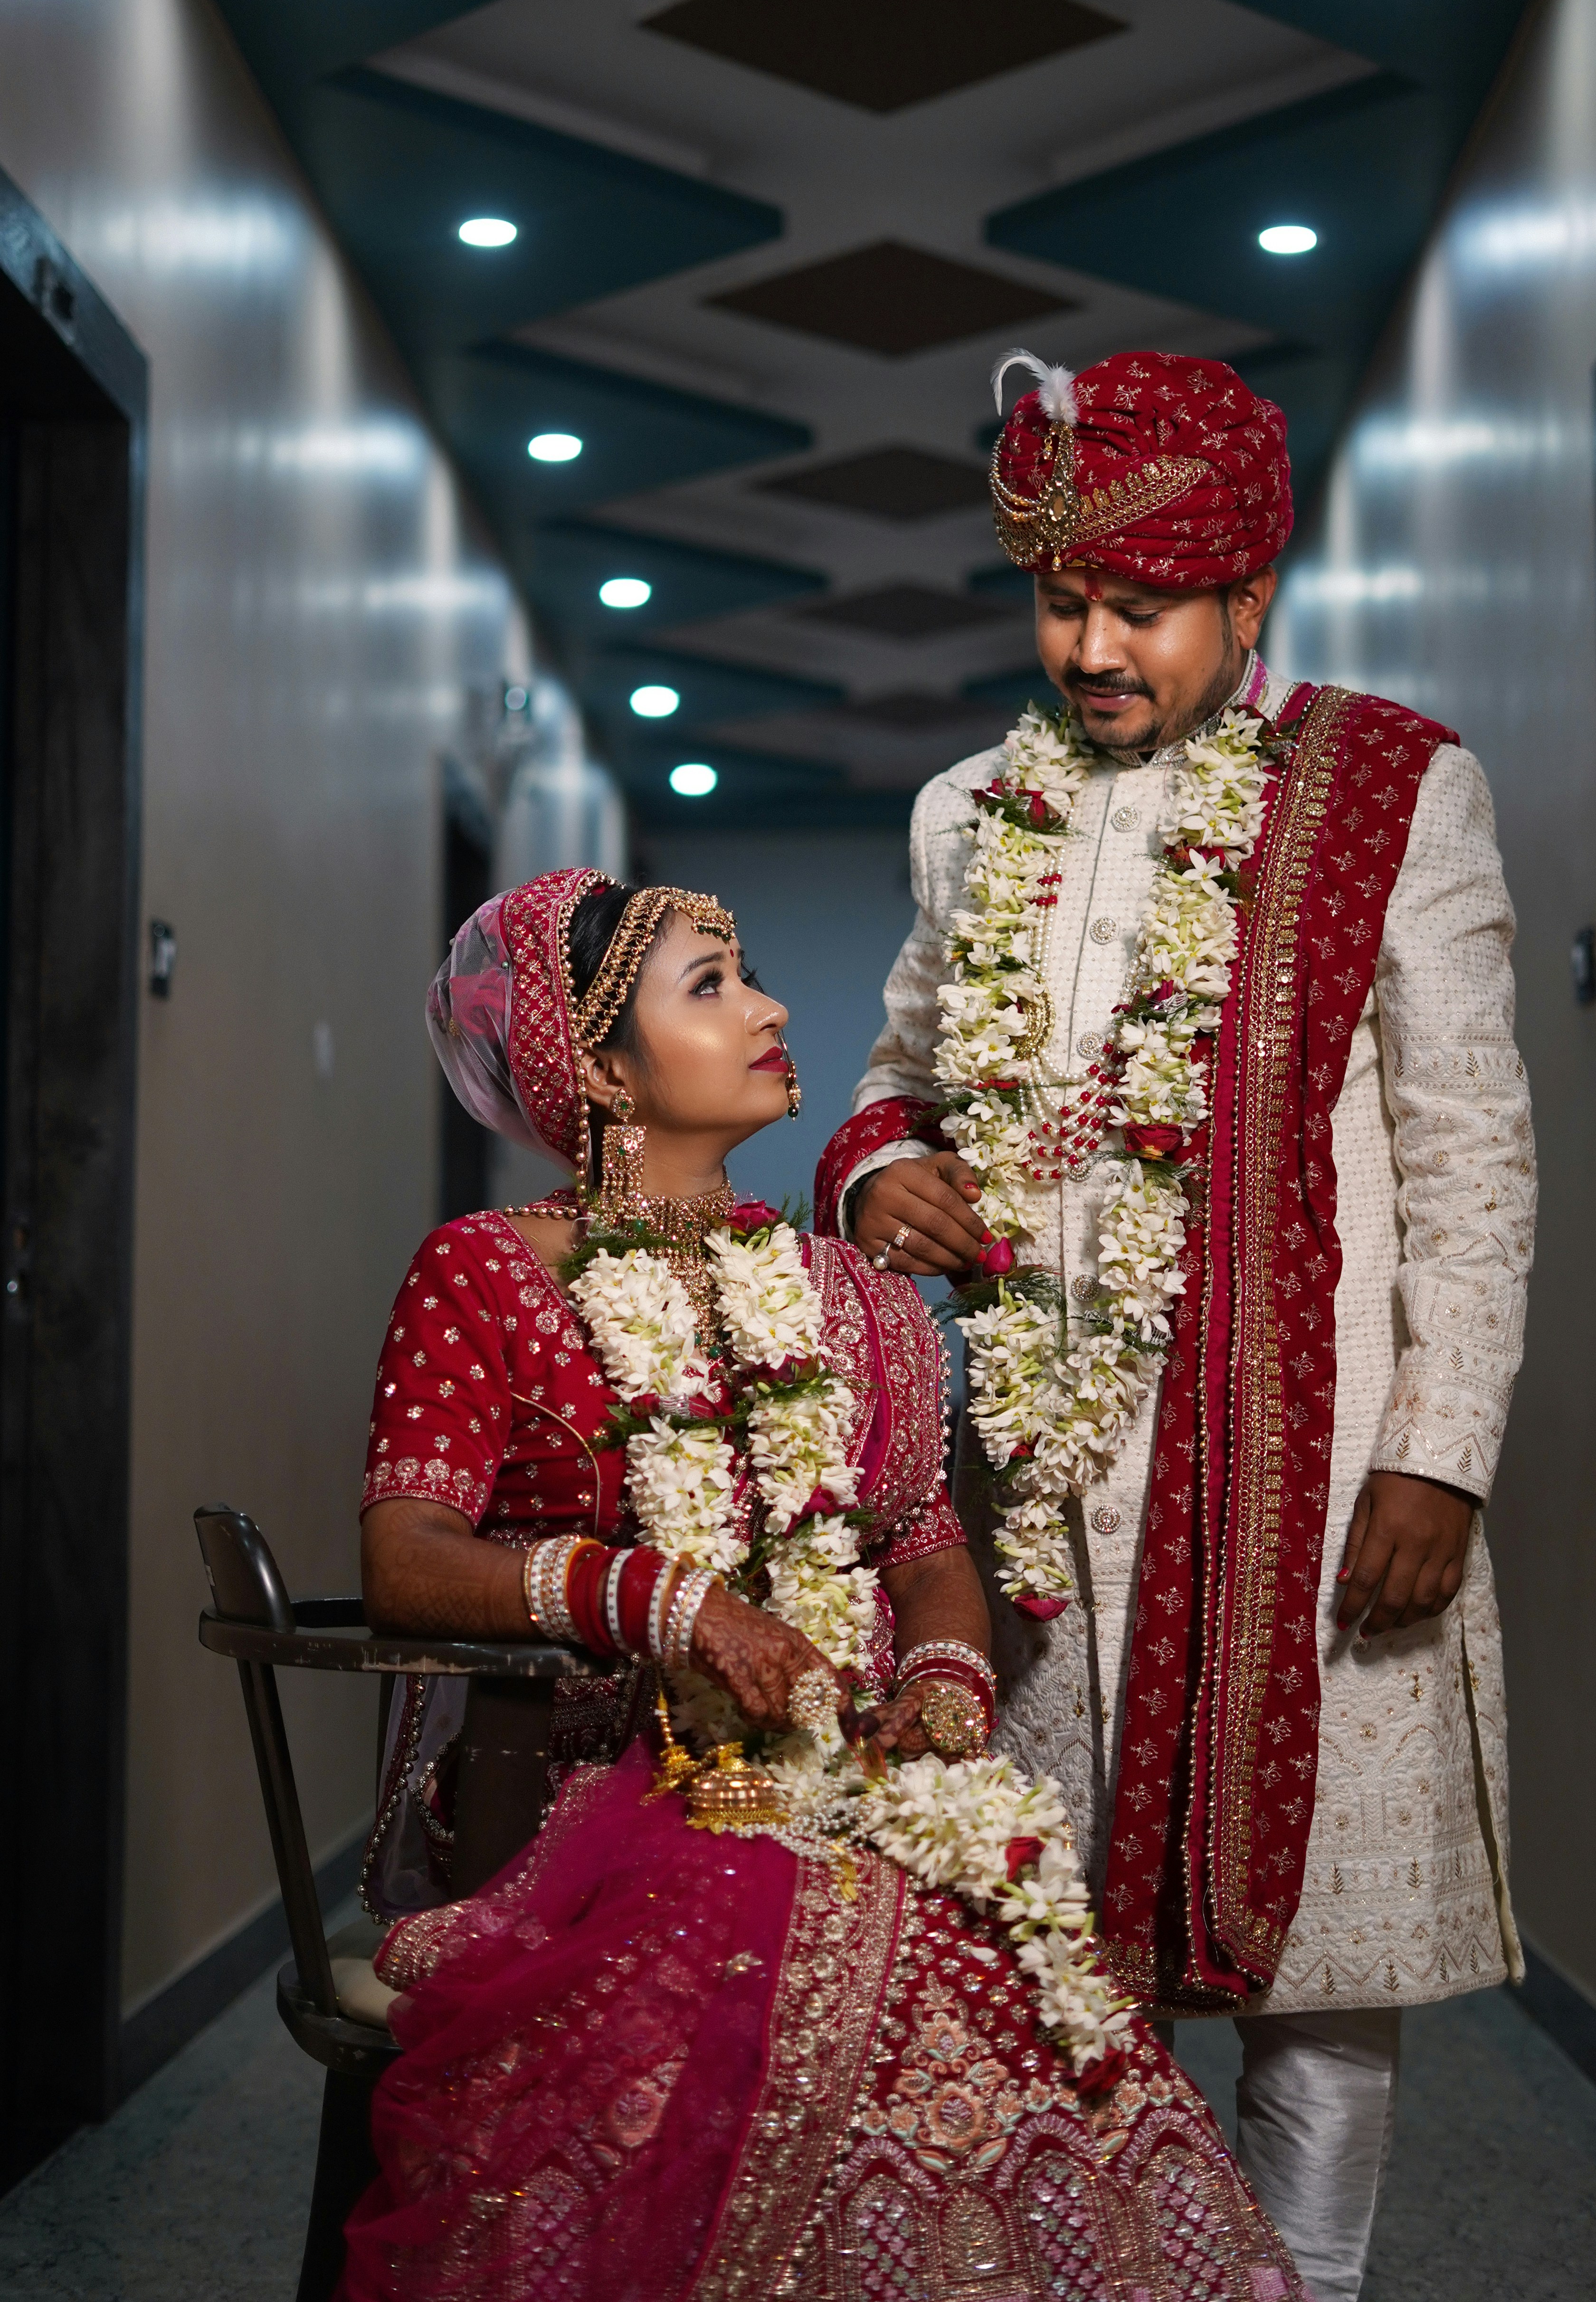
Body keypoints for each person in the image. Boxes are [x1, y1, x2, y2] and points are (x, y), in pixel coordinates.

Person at [816, 350, 1537, 2302]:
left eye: (1142, 607)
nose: (1092, 648)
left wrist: (1441, 1451)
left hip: (1324, 1475)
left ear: (1250, 595)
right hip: (1047, 1500)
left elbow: (1473, 1153)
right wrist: (880, 1170)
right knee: (1046, 1963)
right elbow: (893, 1075)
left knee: (1321, 1985)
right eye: (1063, 601)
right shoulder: (971, 812)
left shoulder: (1397, 788)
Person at [341, 864, 1310, 2302]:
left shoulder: (852, 1293)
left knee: (1017, 1944)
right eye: (711, 986)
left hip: (847, 1767)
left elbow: (921, 1541)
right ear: (601, 1067)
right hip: (572, 1779)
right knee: (798, 1935)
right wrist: (667, 1603)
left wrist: (945, 1681)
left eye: (749, 974)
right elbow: (407, 1557)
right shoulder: (489, 1273)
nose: (773, 1009)